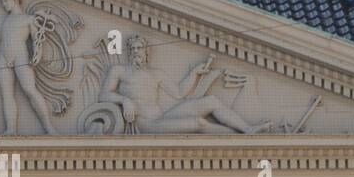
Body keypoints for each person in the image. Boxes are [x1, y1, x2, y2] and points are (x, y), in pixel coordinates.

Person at [99, 36, 269, 134]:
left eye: (139, 48)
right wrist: (124, 100)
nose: (136, 52)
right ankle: (237, 139)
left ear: (146, 51)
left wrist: (194, 74)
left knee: (211, 100)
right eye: (133, 49)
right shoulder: (119, 70)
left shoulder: (156, 74)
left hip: (162, 118)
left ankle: (247, 129)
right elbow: (104, 95)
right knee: (199, 123)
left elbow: (179, 93)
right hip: (146, 124)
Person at [0, 0, 56, 134]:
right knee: (6, 94)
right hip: (3, 58)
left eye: (6, 1)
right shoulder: (3, 21)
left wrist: (37, 54)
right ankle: (11, 129)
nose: (4, 4)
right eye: (2, 2)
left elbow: (36, 41)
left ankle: (48, 126)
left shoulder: (28, 19)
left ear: (14, 0)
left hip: (21, 56)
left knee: (29, 89)